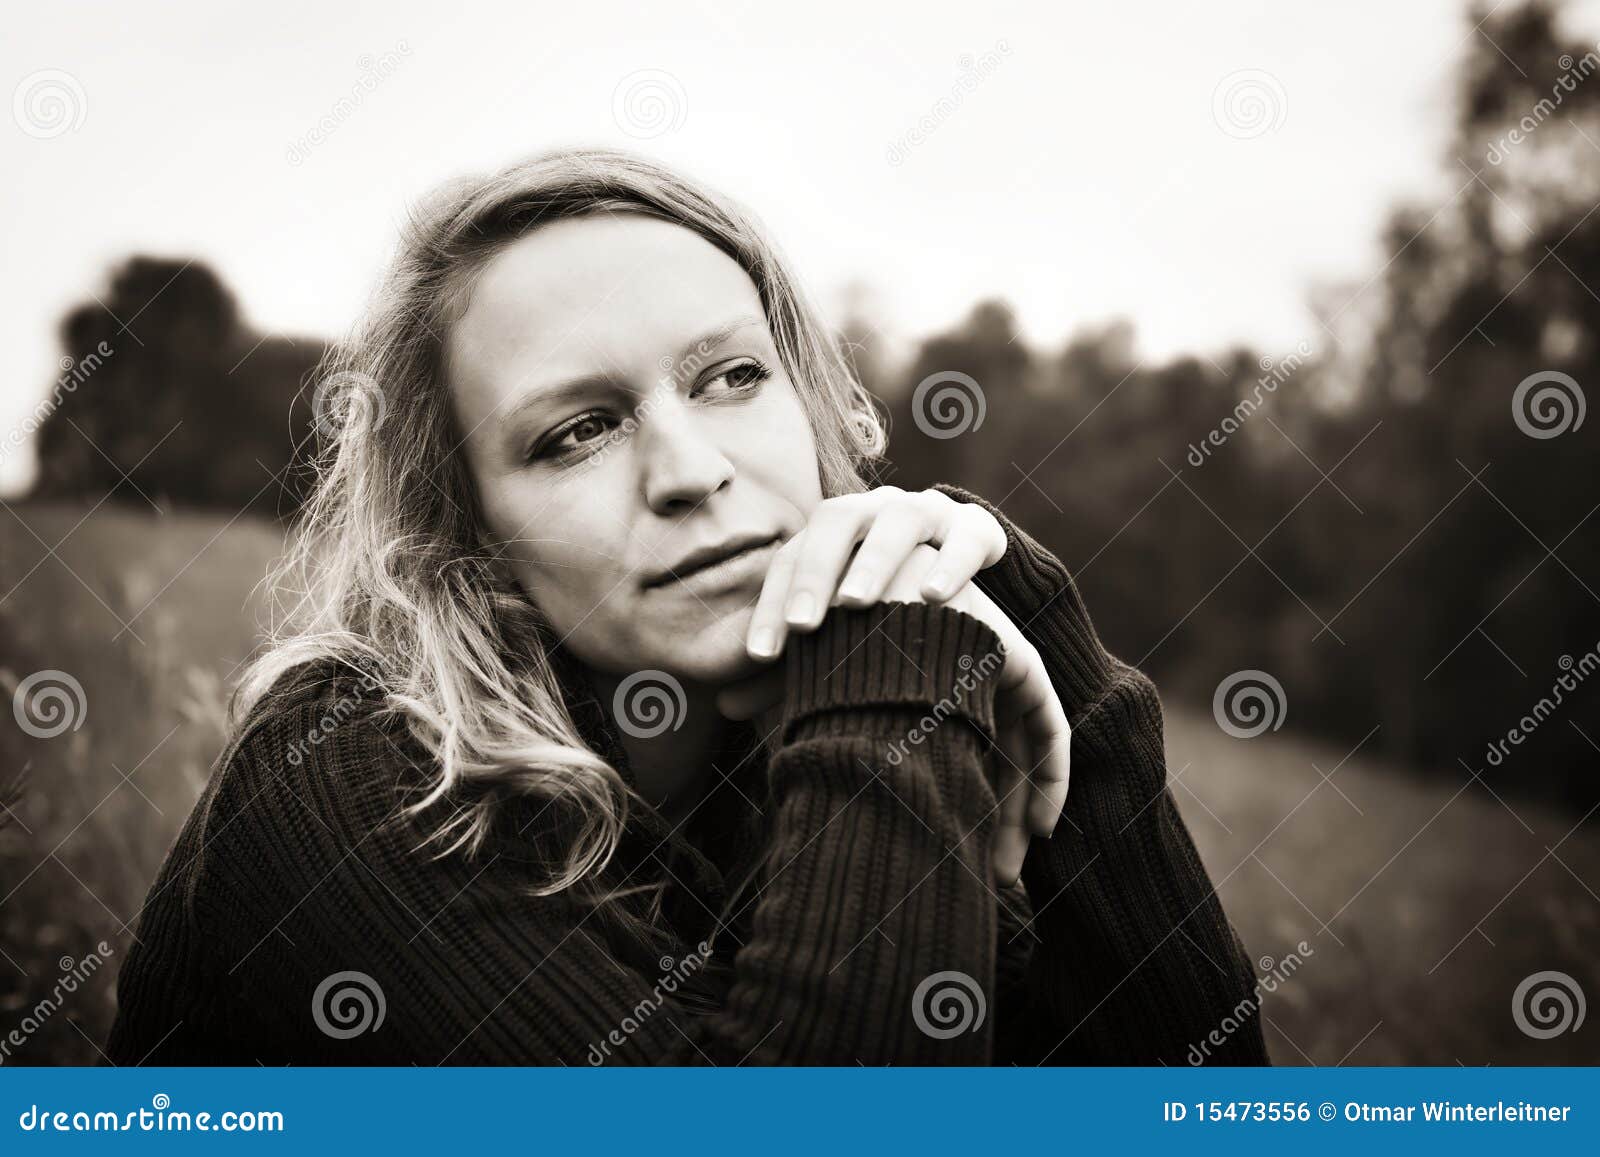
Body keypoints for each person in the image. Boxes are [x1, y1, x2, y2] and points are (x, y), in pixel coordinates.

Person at [106, 146, 1268, 1065]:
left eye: (731, 377)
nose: (689, 468)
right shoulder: (350, 770)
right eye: (575, 431)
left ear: (816, 410)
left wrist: (1033, 624)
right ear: (460, 528)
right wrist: (896, 651)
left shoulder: (800, 729)